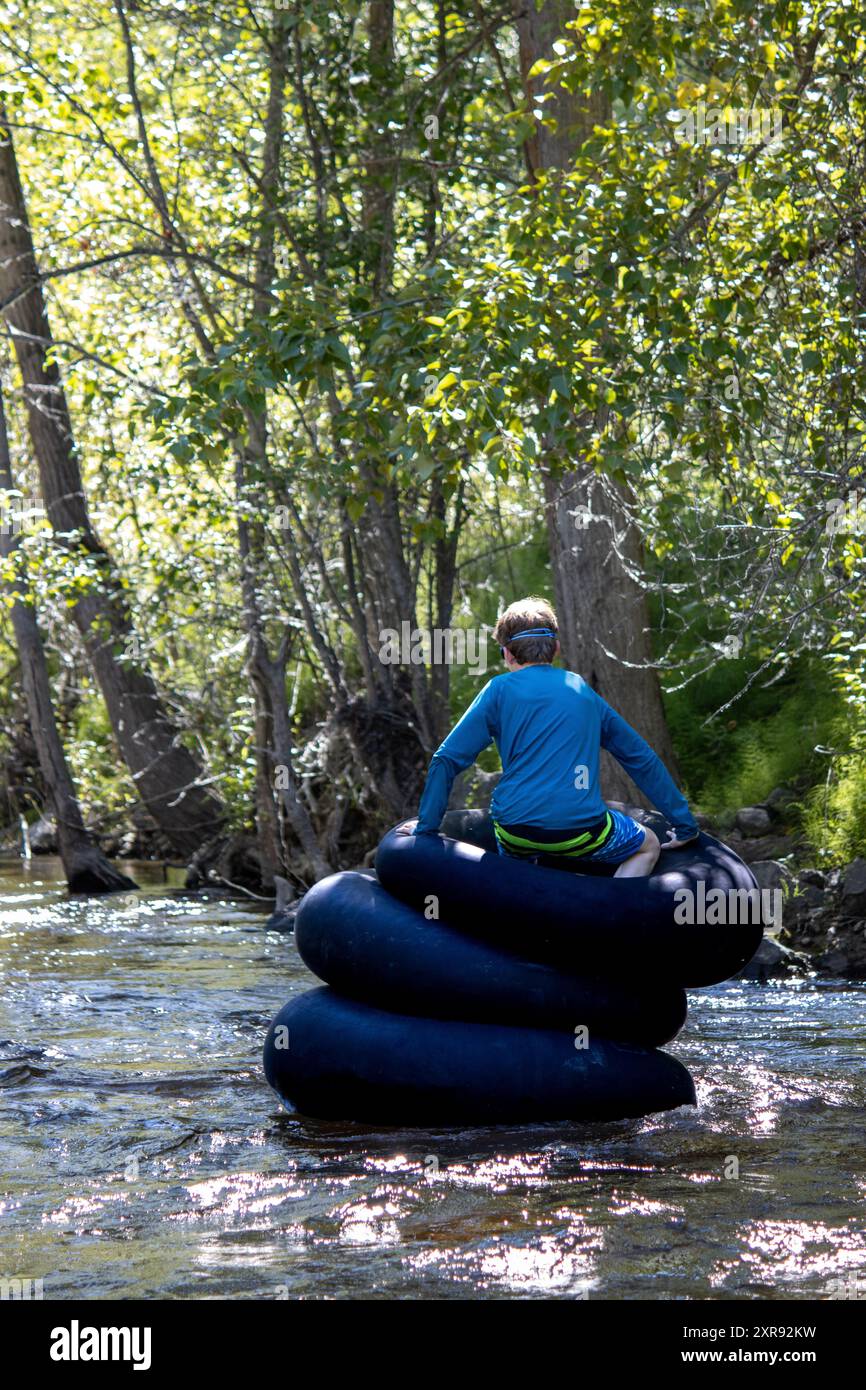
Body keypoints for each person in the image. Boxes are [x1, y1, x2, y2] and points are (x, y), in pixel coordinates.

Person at [413, 597, 699, 878]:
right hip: (581, 830)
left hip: (514, 831)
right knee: (647, 844)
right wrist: (684, 824)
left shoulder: (497, 690)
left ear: (508, 655)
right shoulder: (582, 691)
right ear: (556, 649)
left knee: (519, 852)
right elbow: (640, 758)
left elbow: (446, 759)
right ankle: (612, 918)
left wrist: (426, 828)